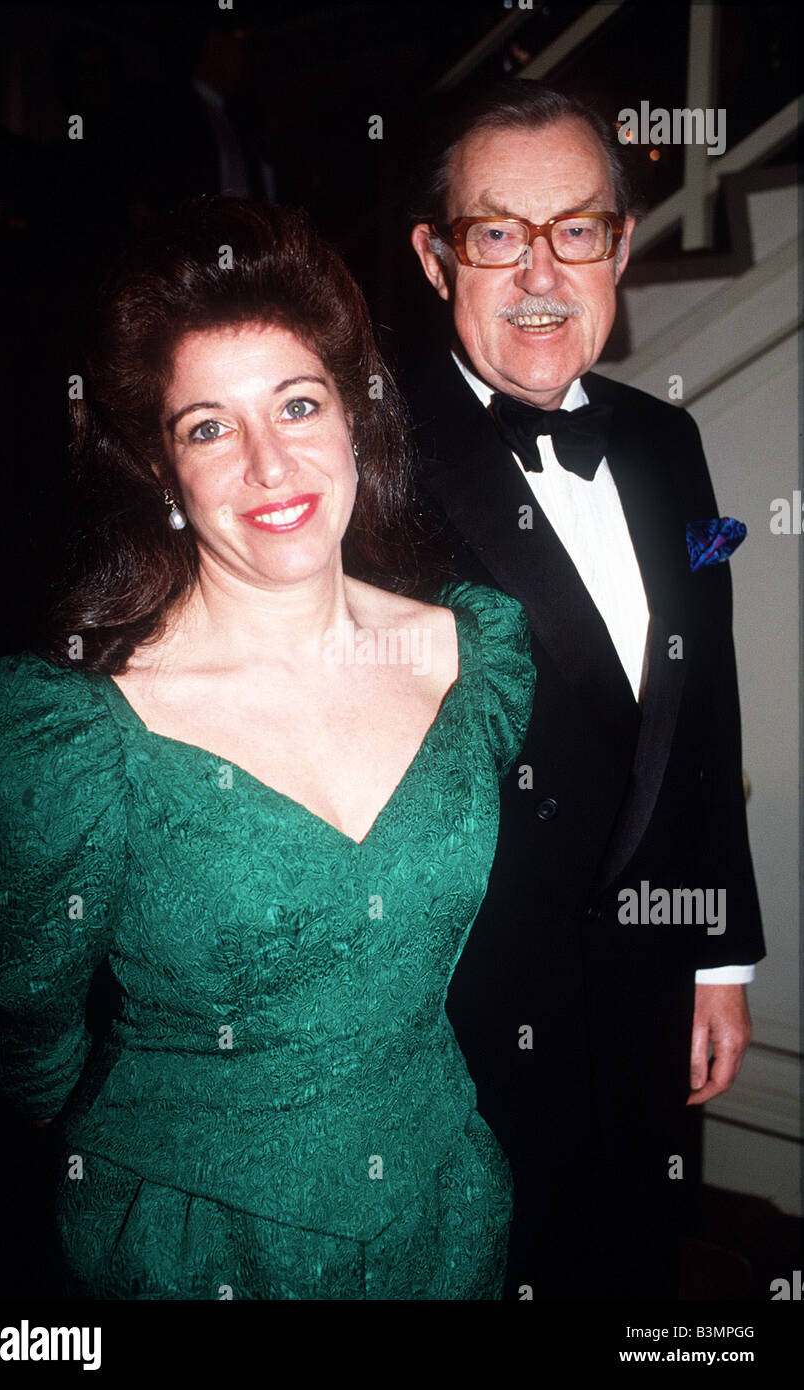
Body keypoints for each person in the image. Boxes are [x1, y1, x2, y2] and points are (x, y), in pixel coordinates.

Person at [0, 197, 535, 1301]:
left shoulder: (474, 654)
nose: (270, 463)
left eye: (297, 403)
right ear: (160, 473)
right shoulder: (61, 734)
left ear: (353, 419)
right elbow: (29, 1047)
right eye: (207, 426)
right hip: (190, 1246)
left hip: (445, 1214)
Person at [404, 78, 766, 1299]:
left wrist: (720, 960)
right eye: (496, 233)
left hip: (651, 981)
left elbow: (700, 714)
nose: (539, 274)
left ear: (619, 246)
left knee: (634, 1272)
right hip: (461, 1018)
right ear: (434, 256)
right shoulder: (363, 467)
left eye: (575, 230)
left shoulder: (665, 441)